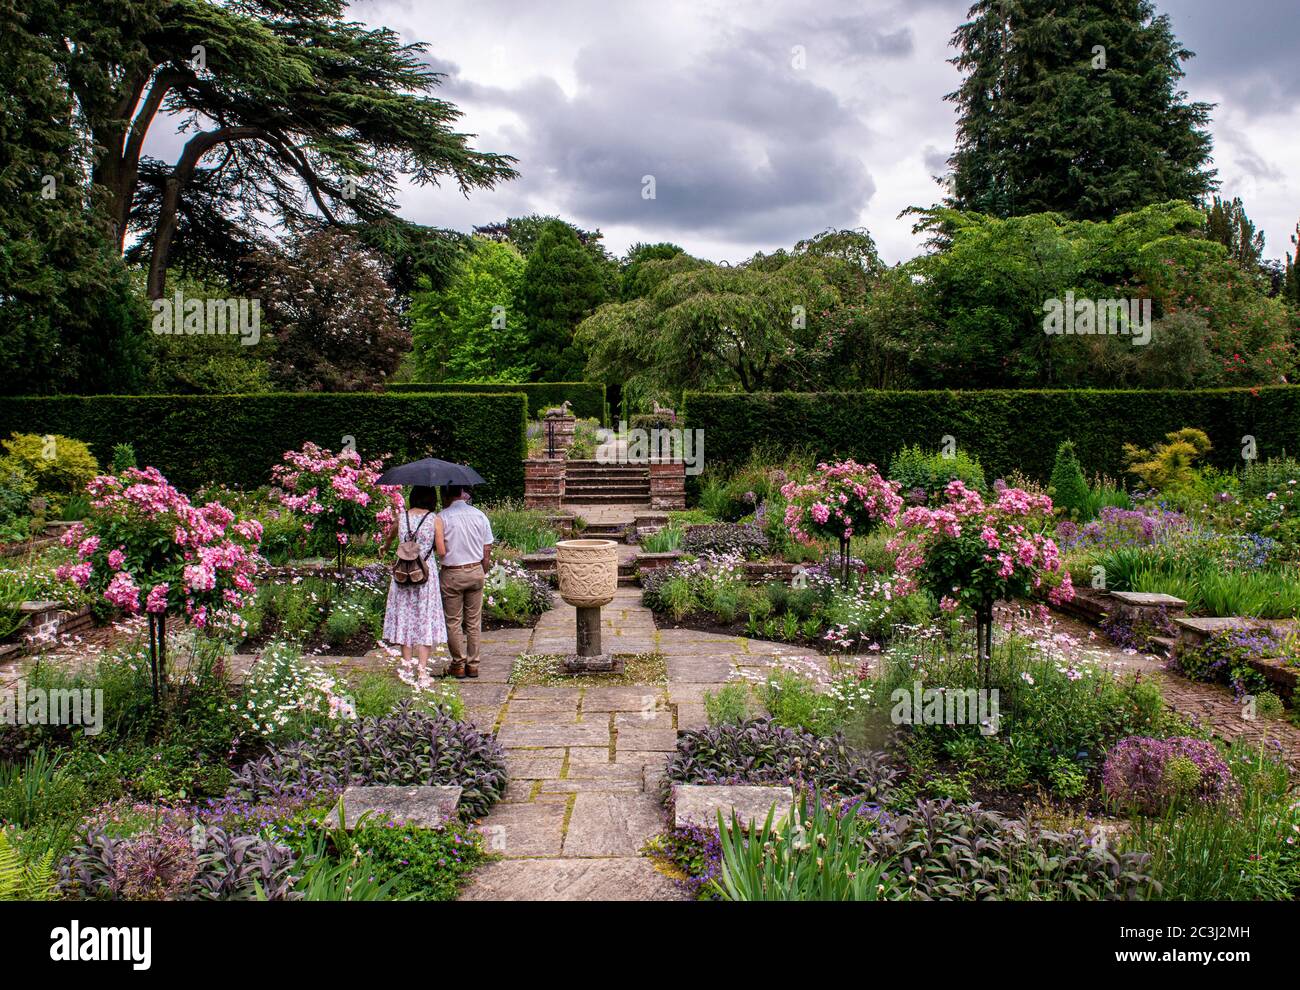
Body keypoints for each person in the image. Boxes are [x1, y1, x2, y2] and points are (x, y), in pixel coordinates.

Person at [382, 485, 447, 683]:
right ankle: (421, 670)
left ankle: (407, 668)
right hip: (425, 575)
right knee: (424, 618)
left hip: (403, 574)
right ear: (431, 499)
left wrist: (384, 548)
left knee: (405, 617)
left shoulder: (401, 518)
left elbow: (390, 539)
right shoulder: (434, 519)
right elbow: (442, 551)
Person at [436, 484, 494, 678]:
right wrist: (482, 570)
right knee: (474, 622)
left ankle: (458, 664)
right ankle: (473, 664)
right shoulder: (479, 515)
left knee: (453, 622)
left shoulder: (442, 517)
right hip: (475, 570)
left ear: (446, 495)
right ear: (462, 493)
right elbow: (487, 549)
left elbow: (439, 548)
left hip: (452, 572)